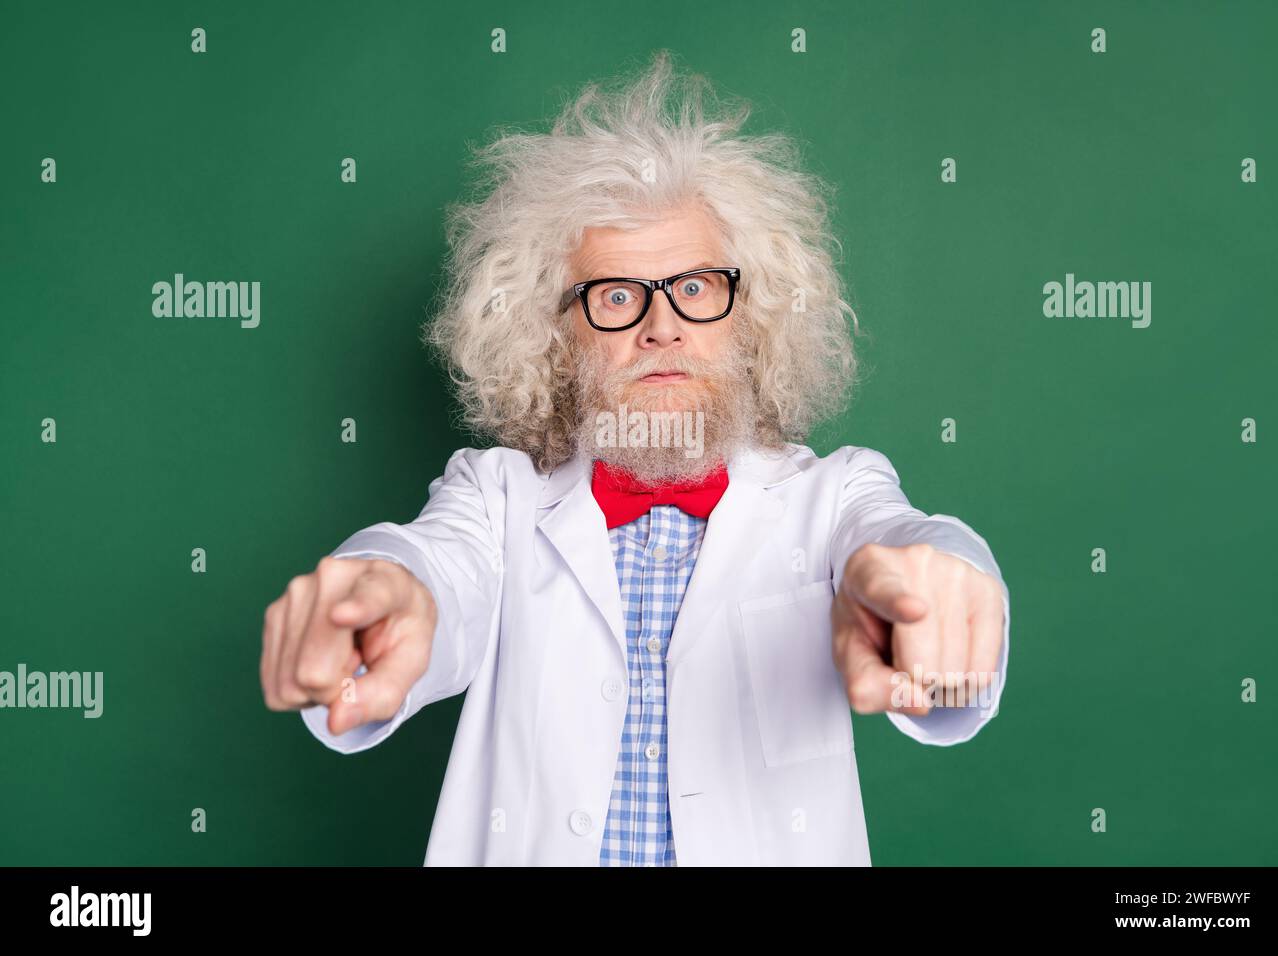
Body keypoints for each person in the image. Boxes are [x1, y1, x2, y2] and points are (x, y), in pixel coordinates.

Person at [259, 50, 1009, 866]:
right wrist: (379, 592)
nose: (662, 328)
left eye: (696, 287)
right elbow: (433, 568)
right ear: (553, 333)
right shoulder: (497, 498)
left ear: (749, 316)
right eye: (615, 296)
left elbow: (903, 543)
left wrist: (938, 589)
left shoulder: (832, 496)